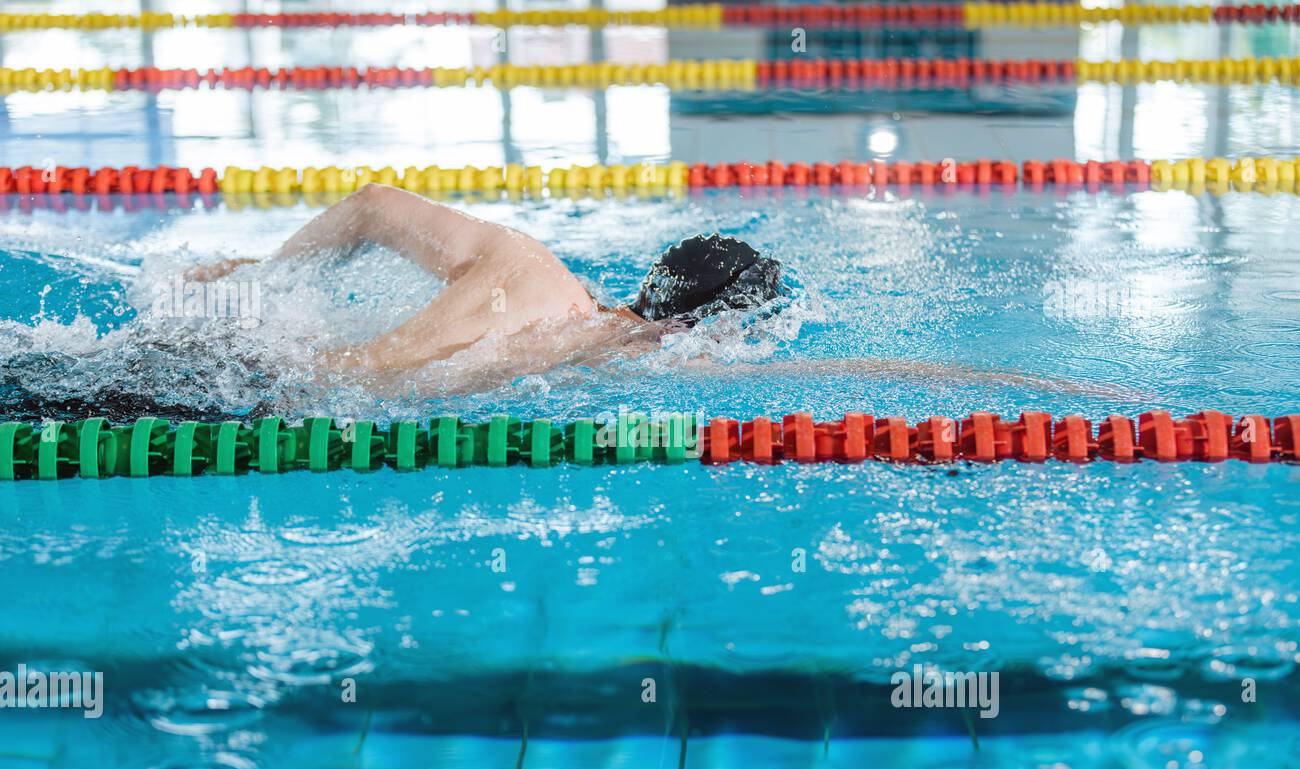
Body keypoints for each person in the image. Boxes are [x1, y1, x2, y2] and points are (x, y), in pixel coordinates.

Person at [191, 184, 1127, 397]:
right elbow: (880, 367)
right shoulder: (622, 362)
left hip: (226, 362)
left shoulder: (526, 265)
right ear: (707, 334)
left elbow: (370, 203)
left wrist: (261, 278)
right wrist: (1068, 392)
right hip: (262, 406)